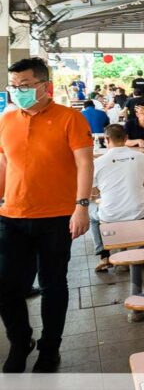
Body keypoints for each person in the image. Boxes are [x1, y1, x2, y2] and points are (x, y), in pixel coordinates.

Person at [0, 57, 94, 373]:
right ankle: (20, 339)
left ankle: (49, 348)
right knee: (6, 285)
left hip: (56, 217)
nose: (18, 92)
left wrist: (81, 206)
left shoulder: (70, 119)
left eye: (25, 86)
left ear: (45, 86)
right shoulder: (6, 120)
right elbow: (3, 164)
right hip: (12, 215)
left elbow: (84, 163)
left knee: (54, 284)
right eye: (14, 87)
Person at [89, 124, 144, 272]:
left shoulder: (97, 162)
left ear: (106, 140)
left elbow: (93, 191)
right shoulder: (142, 156)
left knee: (93, 217)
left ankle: (104, 256)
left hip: (109, 216)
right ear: (126, 138)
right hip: (139, 212)